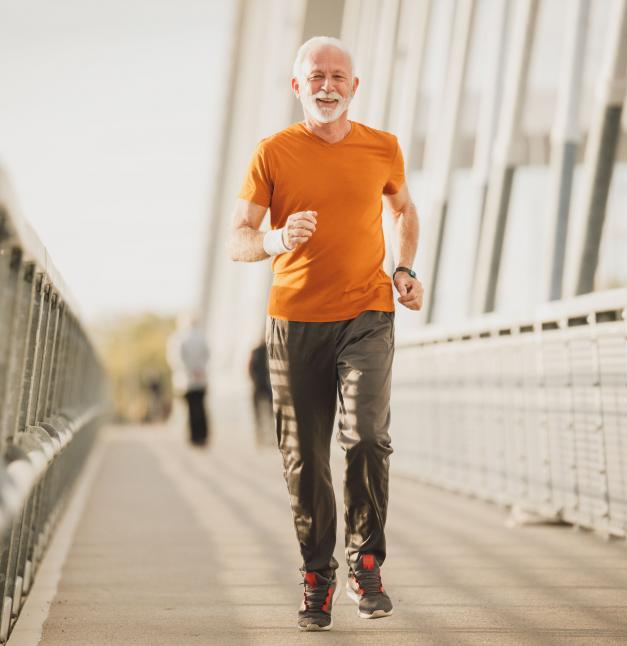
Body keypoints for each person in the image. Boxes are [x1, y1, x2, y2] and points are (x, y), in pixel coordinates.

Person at [227, 36, 422, 631]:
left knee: (365, 436)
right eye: (316, 75)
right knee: (304, 459)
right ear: (297, 86)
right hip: (294, 322)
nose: (327, 85)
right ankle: (317, 573)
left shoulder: (382, 146)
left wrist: (405, 268)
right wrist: (277, 240)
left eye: (339, 76)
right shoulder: (272, 152)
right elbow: (239, 237)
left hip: (367, 313)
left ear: (354, 86)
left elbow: (403, 209)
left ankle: (366, 560)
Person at [166, 314, 210, 446]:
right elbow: (207, 354)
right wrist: (199, 369)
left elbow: (176, 358)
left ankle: (194, 437)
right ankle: (203, 435)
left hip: (186, 379)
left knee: (191, 408)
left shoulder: (178, 338)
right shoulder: (202, 337)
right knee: (201, 407)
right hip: (201, 377)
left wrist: (190, 370)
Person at [247, 338, 274, 445]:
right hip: (268, 386)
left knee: (258, 414)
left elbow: (249, 369)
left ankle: (260, 437)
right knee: (271, 414)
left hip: (258, 386)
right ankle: (270, 437)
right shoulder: (269, 351)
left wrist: (254, 380)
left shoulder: (255, 351)